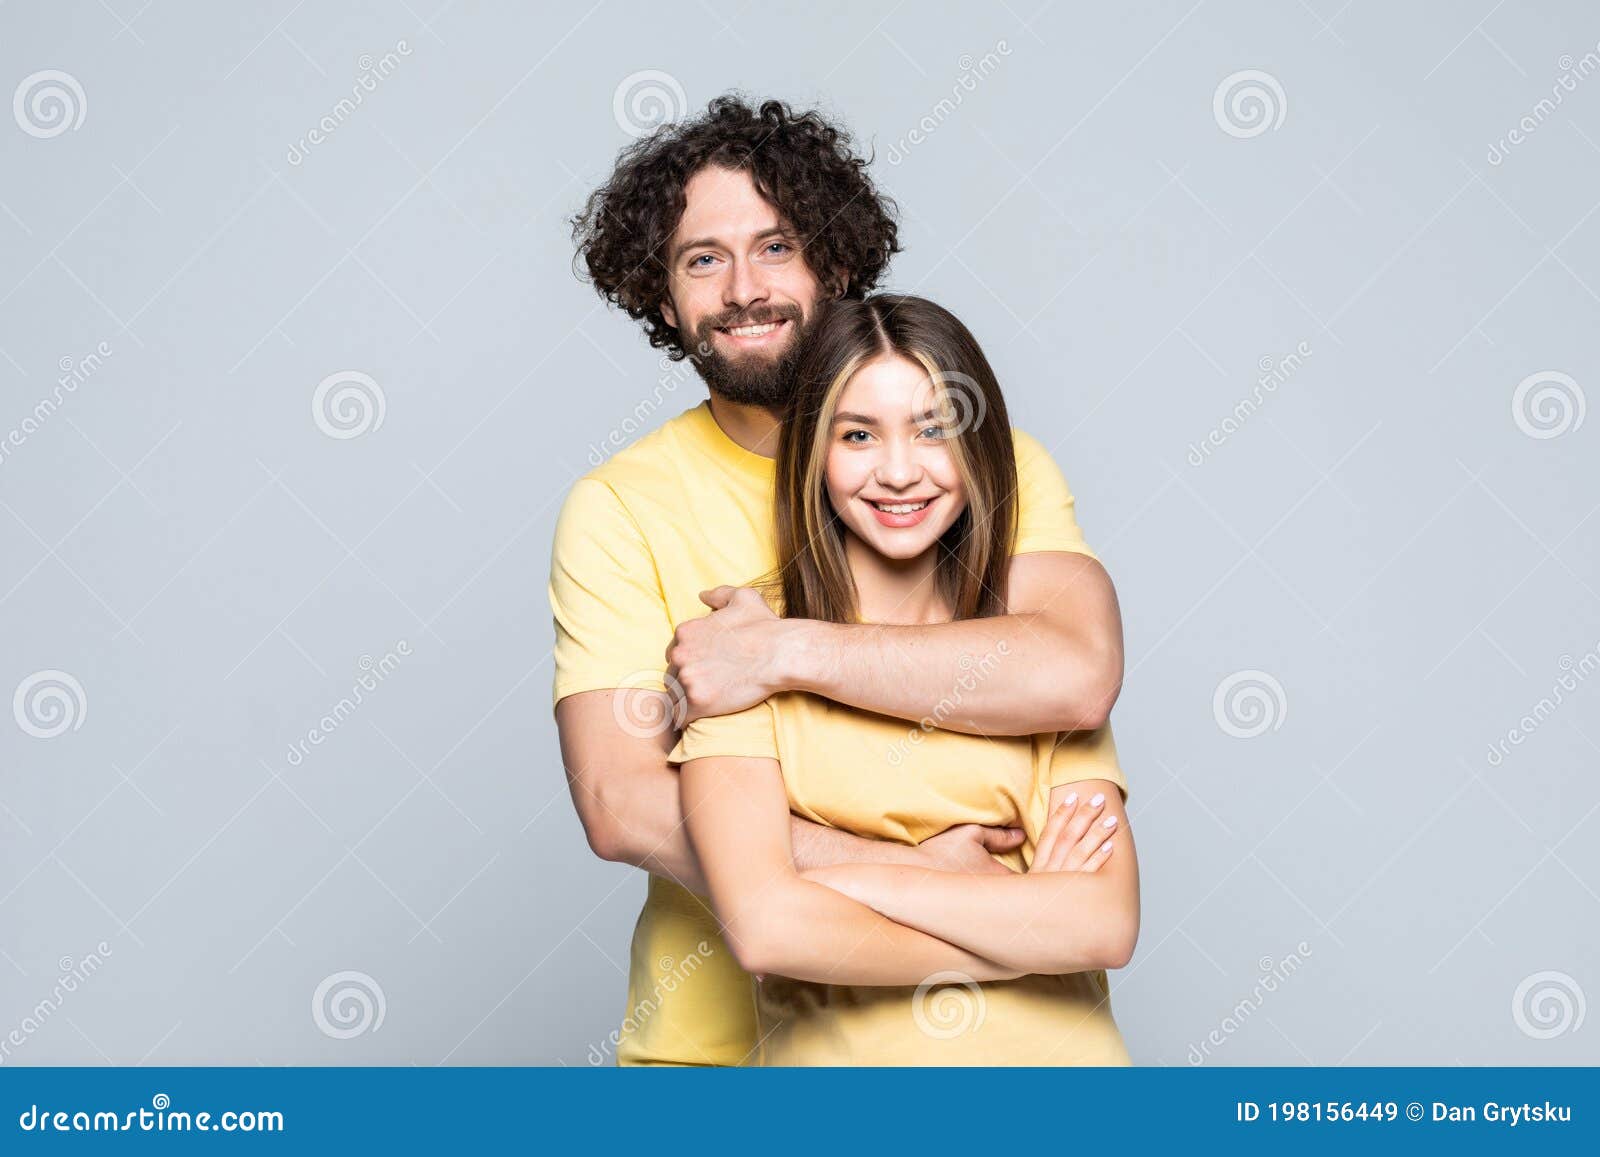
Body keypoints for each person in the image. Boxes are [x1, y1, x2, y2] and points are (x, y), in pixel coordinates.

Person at [553, 95, 1126, 1066]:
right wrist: (932, 876)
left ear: (839, 265)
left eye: (776, 246)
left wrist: (780, 650)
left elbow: (1070, 671)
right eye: (702, 259)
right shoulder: (619, 505)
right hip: (715, 1043)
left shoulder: (984, 465)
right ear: (661, 296)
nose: (743, 286)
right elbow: (622, 803)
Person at [667, 293, 1139, 1064]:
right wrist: (1020, 918)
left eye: (934, 429)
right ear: (813, 453)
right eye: (858, 434)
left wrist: (857, 877)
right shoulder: (741, 651)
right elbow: (766, 926)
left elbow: (1104, 925)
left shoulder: (1025, 659)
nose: (897, 471)